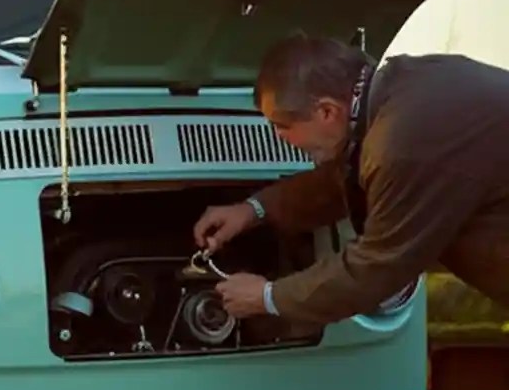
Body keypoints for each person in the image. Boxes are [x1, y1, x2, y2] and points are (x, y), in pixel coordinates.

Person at [193, 33, 509, 324]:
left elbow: (378, 267)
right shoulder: (406, 90)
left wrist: (268, 297)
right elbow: (348, 178)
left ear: (327, 112)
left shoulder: (404, 143)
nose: (279, 137)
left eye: (281, 126)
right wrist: (253, 210)